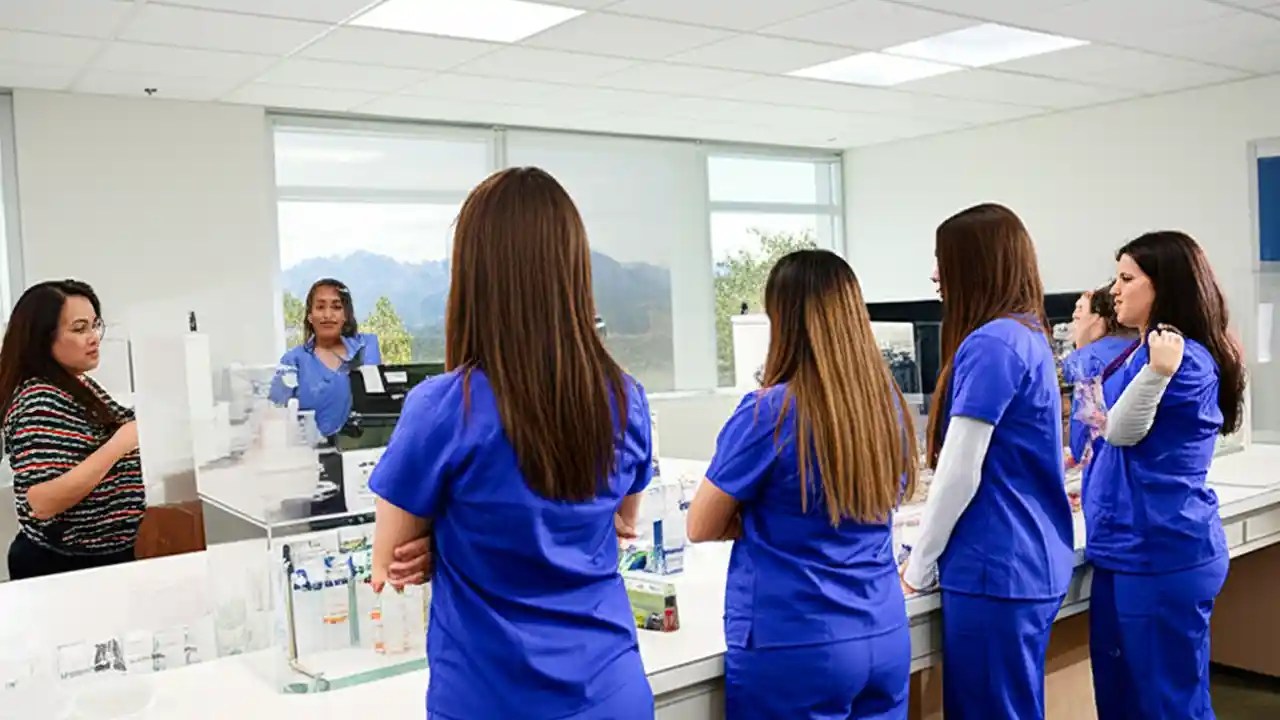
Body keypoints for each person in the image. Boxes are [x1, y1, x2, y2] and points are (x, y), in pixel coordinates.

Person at [367, 167, 654, 719]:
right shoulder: (625, 399)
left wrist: (449, 539)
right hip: (610, 692)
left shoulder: (443, 407)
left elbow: (389, 564)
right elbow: (617, 528)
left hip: (491, 697)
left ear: (474, 275)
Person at [686, 250, 919, 719]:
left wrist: (762, 517)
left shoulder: (768, 414)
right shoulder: (887, 409)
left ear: (784, 321)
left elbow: (700, 525)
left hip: (798, 643)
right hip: (882, 633)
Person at [900, 204, 1074, 720]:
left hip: (995, 566)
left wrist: (919, 565)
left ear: (977, 263)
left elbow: (959, 469)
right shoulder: (1027, 335)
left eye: (943, 259)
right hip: (1025, 559)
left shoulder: (992, 343)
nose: (935, 273)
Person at [1086, 231, 1245, 720]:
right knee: (1123, 699)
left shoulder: (1185, 361)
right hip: (1124, 549)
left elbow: (1122, 433)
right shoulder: (1139, 353)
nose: (1114, 290)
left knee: (1167, 705)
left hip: (1162, 551)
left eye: (1127, 278)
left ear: (1165, 286)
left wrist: (1157, 373)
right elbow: (1100, 424)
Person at [0, 280, 143, 580]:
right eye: (79, 329)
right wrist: (119, 445)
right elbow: (41, 501)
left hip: (101, 557)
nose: (93, 338)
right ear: (43, 338)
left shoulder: (77, 383)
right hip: (66, 566)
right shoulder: (38, 399)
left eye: (95, 325)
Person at [269, 278, 380, 437]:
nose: (328, 315)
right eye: (320, 307)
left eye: (336, 307)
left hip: (363, 452)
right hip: (311, 455)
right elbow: (273, 414)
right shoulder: (293, 362)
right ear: (310, 316)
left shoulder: (366, 349)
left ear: (345, 316)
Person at [1063, 282, 1138, 466]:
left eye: (1080, 310)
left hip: (1106, 469)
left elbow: (1080, 445)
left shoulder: (1086, 360)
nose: (1074, 317)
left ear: (1099, 320)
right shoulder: (1147, 346)